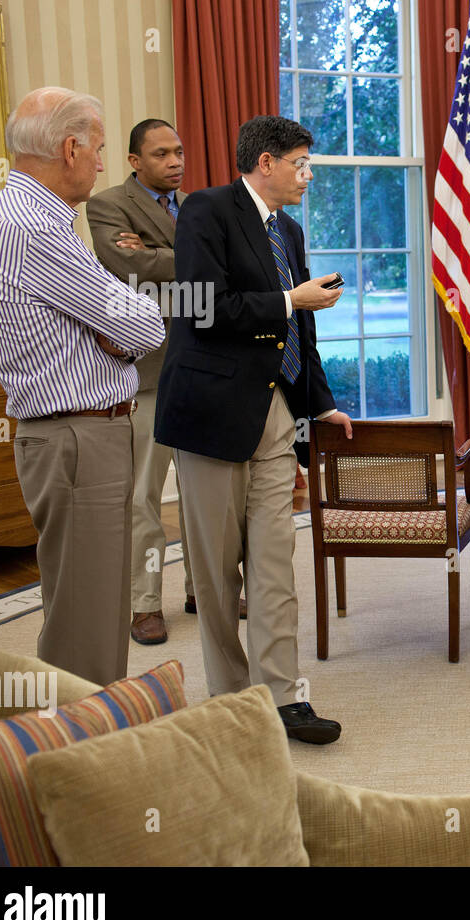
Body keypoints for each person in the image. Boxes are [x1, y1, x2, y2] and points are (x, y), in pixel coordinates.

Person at [155, 115, 351, 744]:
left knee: (274, 564)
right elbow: (205, 309)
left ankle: (285, 698)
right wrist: (293, 299)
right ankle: (229, 701)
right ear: (265, 163)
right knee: (216, 574)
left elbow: (298, 331)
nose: (308, 174)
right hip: (209, 415)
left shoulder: (288, 230)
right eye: (301, 162)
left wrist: (319, 403)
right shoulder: (205, 212)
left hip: (274, 415)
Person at [0, 87, 165, 684]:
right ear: (70, 147)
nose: (104, 164)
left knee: (89, 606)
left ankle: (79, 741)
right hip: (79, 437)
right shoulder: (37, 229)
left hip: (77, 436)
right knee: (88, 620)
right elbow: (145, 321)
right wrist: (119, 323)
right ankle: (81, 753)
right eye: (101, 149)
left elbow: (123, 320)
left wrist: (114, 324)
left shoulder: (28, 218)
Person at [87, 118, 242, 647]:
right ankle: (145, 604)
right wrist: (195, 262)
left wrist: (158, 258)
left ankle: (205, 590)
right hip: (148, 371)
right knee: (144, 498)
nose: (175, 161)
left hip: (203, 364)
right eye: (161, 154)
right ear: (135, 161)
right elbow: (121, 262)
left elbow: (223, 270)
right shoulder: (108, 204)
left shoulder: (201, 204)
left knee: (205, 494)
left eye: (178, 151)